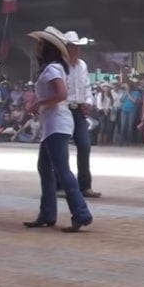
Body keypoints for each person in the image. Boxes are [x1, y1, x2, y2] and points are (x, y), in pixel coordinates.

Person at [23, 27, 93, 232]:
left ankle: (81, 214)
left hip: (56, 124)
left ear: (48, 47)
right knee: (45, 168)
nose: (37, 47)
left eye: (40, 44)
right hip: (53, 124)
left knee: (62, 170)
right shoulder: (56, 67)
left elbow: (61, 94)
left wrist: (39, 102)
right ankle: (47, 214)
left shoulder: (52, 68)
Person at [52, 31, 100, 198]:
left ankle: (85, 185)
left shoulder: (82, 65)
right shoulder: (59, 66)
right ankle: (59, 185)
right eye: (73, 47)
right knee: (61, 148)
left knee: (84, 145)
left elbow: (87, 87)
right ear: (66, 48)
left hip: (78, 109)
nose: (76, 50)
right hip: (63, 109)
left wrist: (88, 102)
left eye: (78, 47)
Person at [119, 81, 141, 146]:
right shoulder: (124, 92)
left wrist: (128, 93)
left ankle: (128, 141)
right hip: (124, 110)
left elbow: (134, 101)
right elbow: (121, 100)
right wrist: (125, 93)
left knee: (129, 126)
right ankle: (122, 141)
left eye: (127, 86)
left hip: (132, 110)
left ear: (130, 86)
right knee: (123, 125)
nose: (126, 87)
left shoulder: (136, 93)